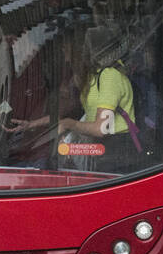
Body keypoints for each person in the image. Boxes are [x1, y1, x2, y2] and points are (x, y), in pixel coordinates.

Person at [53, 27, 140, 172]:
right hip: (102, 153)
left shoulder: (109, 76)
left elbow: (101, 128)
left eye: (66, 45)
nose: (63, 50)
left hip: (116, 157)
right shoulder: (95, 77)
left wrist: (69, 124)